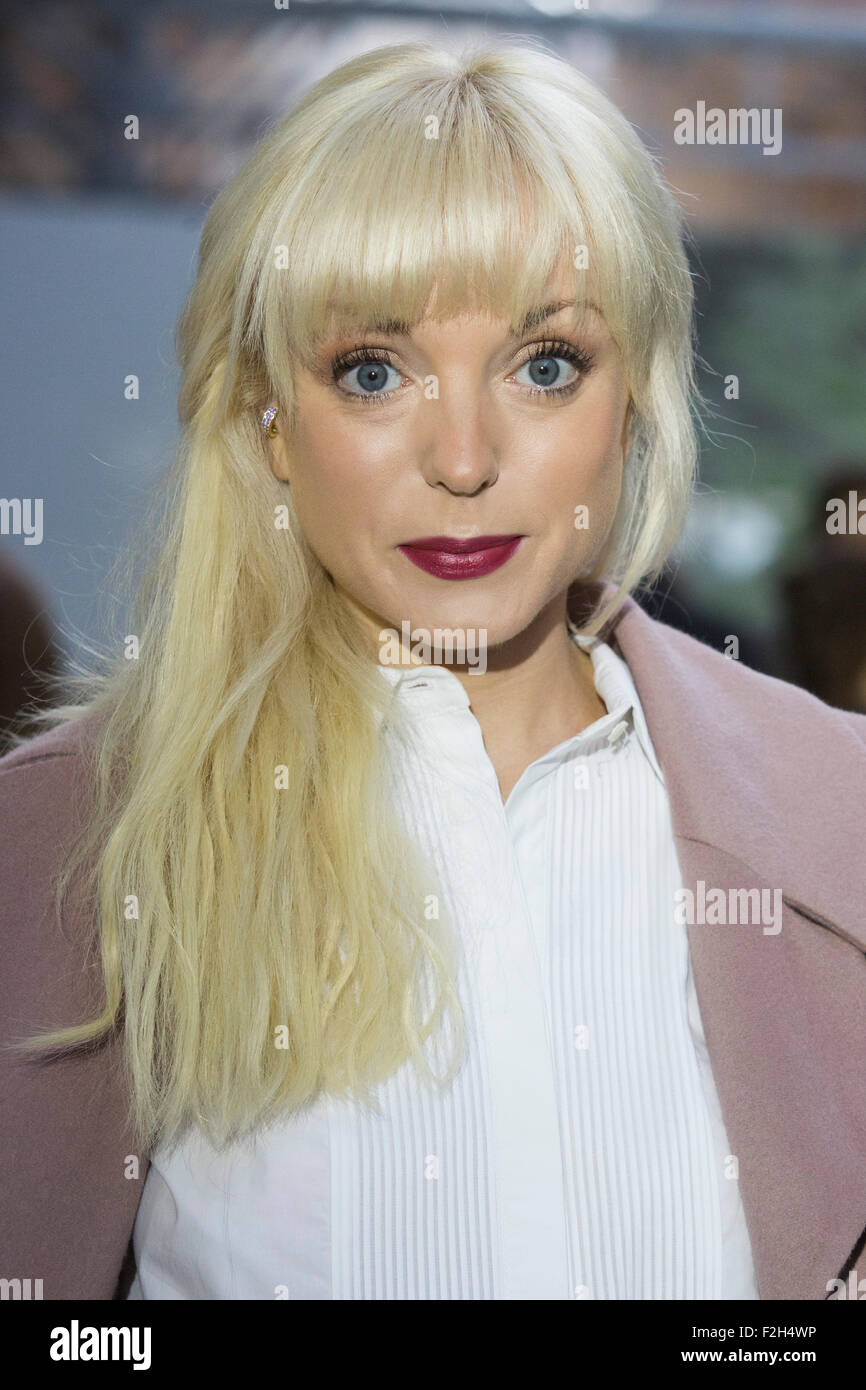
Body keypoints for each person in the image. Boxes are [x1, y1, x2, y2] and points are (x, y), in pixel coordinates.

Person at [1, 39, 864, 1303]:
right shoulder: (71, 840)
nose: (461, 456)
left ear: (632, 400)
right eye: (371, 369)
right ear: (264, 421)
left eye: (544, 364)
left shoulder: (830, 814)